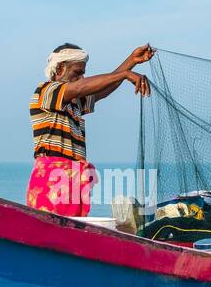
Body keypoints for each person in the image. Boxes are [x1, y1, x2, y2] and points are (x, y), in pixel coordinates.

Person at [26, 43, 152, 216]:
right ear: (60, 68)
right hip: (52, 180)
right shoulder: (46, 91)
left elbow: (104, 88)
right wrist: (125, 74)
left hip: (74, 178)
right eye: (77, 73)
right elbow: (80, 87)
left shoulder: (75, 102)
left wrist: (131, 61)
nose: (82, 78)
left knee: (73, 234)